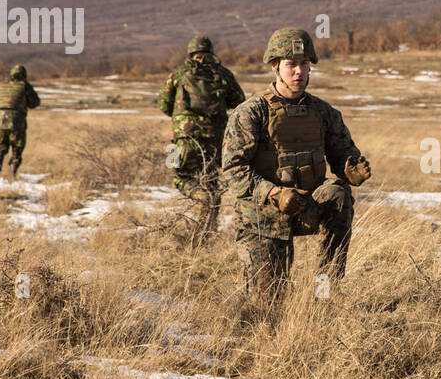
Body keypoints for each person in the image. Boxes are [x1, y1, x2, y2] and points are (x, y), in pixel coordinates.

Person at [221, 28, 372, 320]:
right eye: (292, 65)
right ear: (275, 66)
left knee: (339, 194)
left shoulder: (323, 113)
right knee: (268, 310)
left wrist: (351, 168)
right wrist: (274, 193)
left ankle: (325, 289)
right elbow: (233, 170)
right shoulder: (251, 112)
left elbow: (342, 153)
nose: (299, 72)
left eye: (304, 65)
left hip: (305, 206)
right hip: (261, 217)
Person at [157, 35, 245, 227]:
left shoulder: (179, 74)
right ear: (211, 52)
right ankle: (209, 228)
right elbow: (239, 101)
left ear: (191, 53)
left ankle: (199, 197)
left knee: (182, 177)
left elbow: (163, 104)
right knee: (212, 180)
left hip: (186, 137)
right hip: (217, 138)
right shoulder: (223, 73)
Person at [0, 64, 41, 175]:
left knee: (3, 143)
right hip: (16, 118)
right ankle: (13, 170)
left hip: (0, 117)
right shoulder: (24, 86)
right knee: (18, 145)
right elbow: (34, 102)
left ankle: (0, 156)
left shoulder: (0, 85)